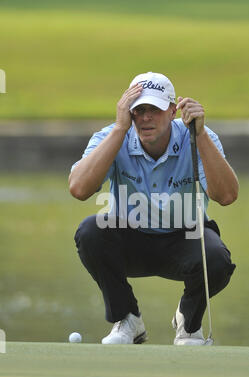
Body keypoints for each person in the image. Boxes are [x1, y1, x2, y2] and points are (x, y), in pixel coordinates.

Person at [69, 72, 238, 345]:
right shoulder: (113, 135)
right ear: (129, 112)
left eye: (155, 110)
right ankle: (127, 319)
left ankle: (189, 321)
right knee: (91, 231)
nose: (146, 118)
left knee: (217, 258)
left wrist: (201, 135)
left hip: (185, 240)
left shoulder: (198, 137)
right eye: (139, 110)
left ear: (173, 111)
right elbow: (79, 189)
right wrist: (119, 129)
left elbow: (227, 195)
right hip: (130, 241)